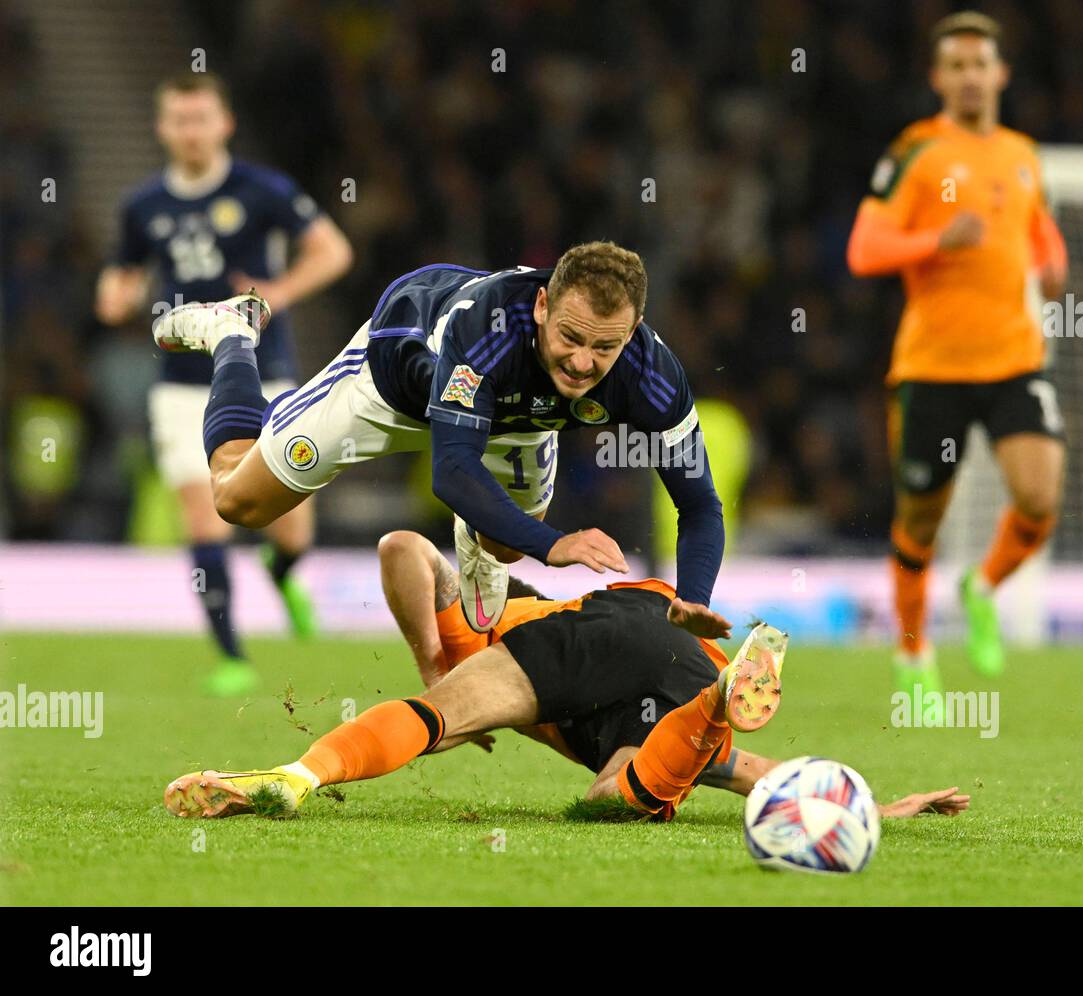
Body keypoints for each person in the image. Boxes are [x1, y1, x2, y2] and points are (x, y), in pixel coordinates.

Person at [165, 530, 970, 823]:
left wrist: (439, 667)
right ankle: (716, 708)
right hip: (675, 655)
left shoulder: (492, 628)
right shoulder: (519, 638)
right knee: (623, 791)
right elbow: (768, 774)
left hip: (604, 630)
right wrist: (880, 808)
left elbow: (400, 549)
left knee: (434, 716)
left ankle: (297, 778)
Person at [152, 242, 730, 640]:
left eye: (604, 347)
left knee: (505, 544)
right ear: (543, 304)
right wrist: (554, 544)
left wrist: (694, 597)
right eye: (570, 338)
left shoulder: (653, 374)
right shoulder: (487, 330)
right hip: (392, 382)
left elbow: (699, 503)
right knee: (236, 501)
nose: (582, 363)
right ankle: (230, 333)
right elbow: (450, 469)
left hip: (514, 421)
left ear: (631, 334)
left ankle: (481, 535)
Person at [95, 72, 353, 696]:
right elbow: (117, 281)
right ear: (163, 127)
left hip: (269, 374)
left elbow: (332, 250)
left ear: (224, 123)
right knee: (204, 513)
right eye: (179, 120)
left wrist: (278, 295)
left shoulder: (263, 191)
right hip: (184, 385)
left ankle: (284, 568)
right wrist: (116, 297)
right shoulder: (143, 206)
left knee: (291, 524)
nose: (190, 131)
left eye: (200, 118)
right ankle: (231, 656)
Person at [846, 11, 1069, 701]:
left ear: (1000, 74)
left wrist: (1054, 261)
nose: (971, 76)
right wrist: (936, 240)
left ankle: (984, 584)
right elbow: (864, 250)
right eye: (957, 65)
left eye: (982, 64)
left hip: (1013, 362)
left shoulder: (1022, 153)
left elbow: (1038, 234)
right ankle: (914, 659)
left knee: (1039, 496)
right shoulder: (917, 153)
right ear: (938, 77)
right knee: (920, 522)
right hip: (933, 370)